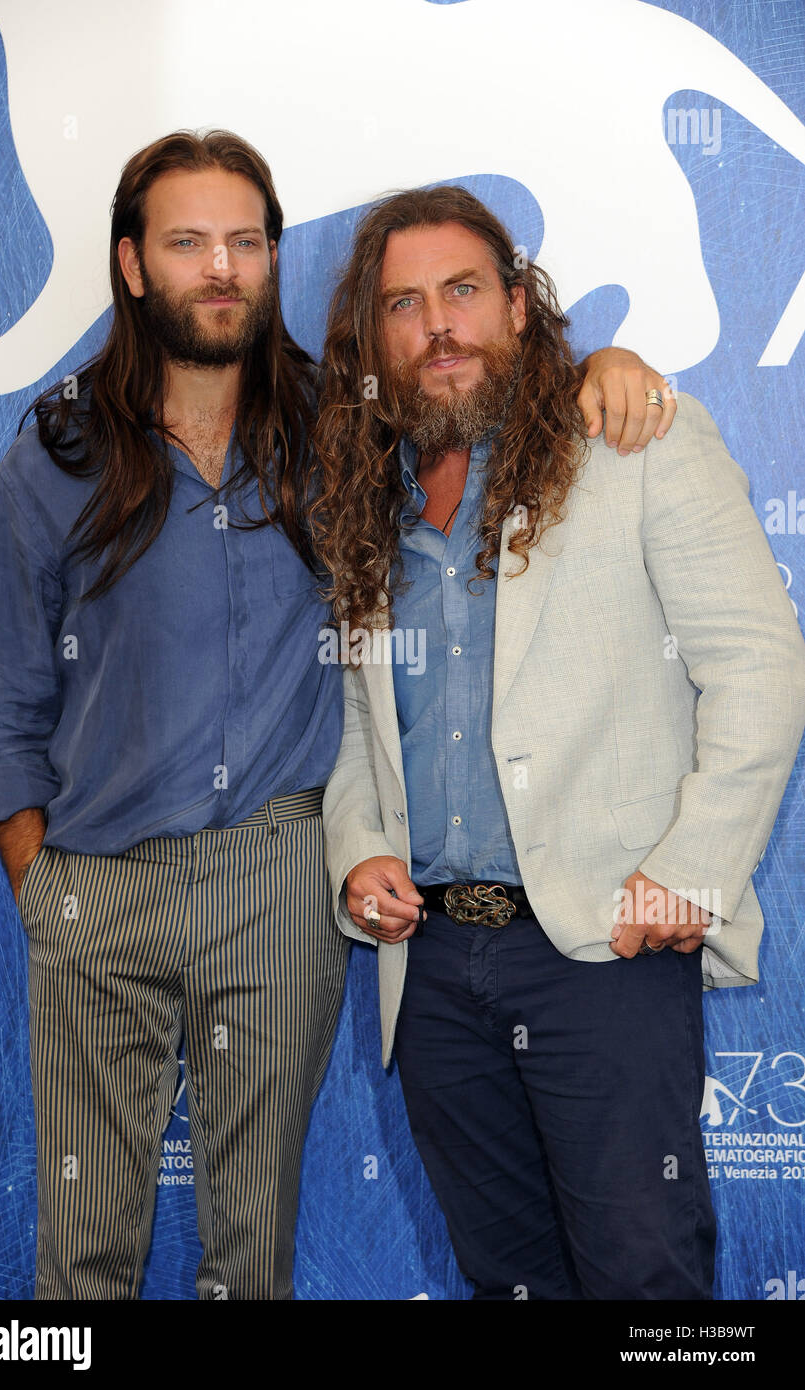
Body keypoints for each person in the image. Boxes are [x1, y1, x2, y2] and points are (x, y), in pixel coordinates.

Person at [0, 129, 673, 1301]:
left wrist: (617, 360)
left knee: (256, 1257)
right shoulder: (61, 447)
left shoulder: (345, 426)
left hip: (279, 882)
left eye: (246, 241)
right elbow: (1, 697)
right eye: (188, 243)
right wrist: (42, 883)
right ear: (134, 268)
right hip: (94, 882)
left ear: (275, 258)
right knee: (80, 1262)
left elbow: (481, 390)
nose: (221, 267)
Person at [314, 184, 805, 1300]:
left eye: (463, 291)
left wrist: (691, 869)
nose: (437, 323)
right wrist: (356, 853)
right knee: (509, 1282)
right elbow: (354, 724)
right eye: (403, 303)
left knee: (645, 1283)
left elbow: (761, 664)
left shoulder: (630, 443)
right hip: (433, 969)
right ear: (374, 337)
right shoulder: (362, 503)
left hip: (600, 952)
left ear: (518, 308)